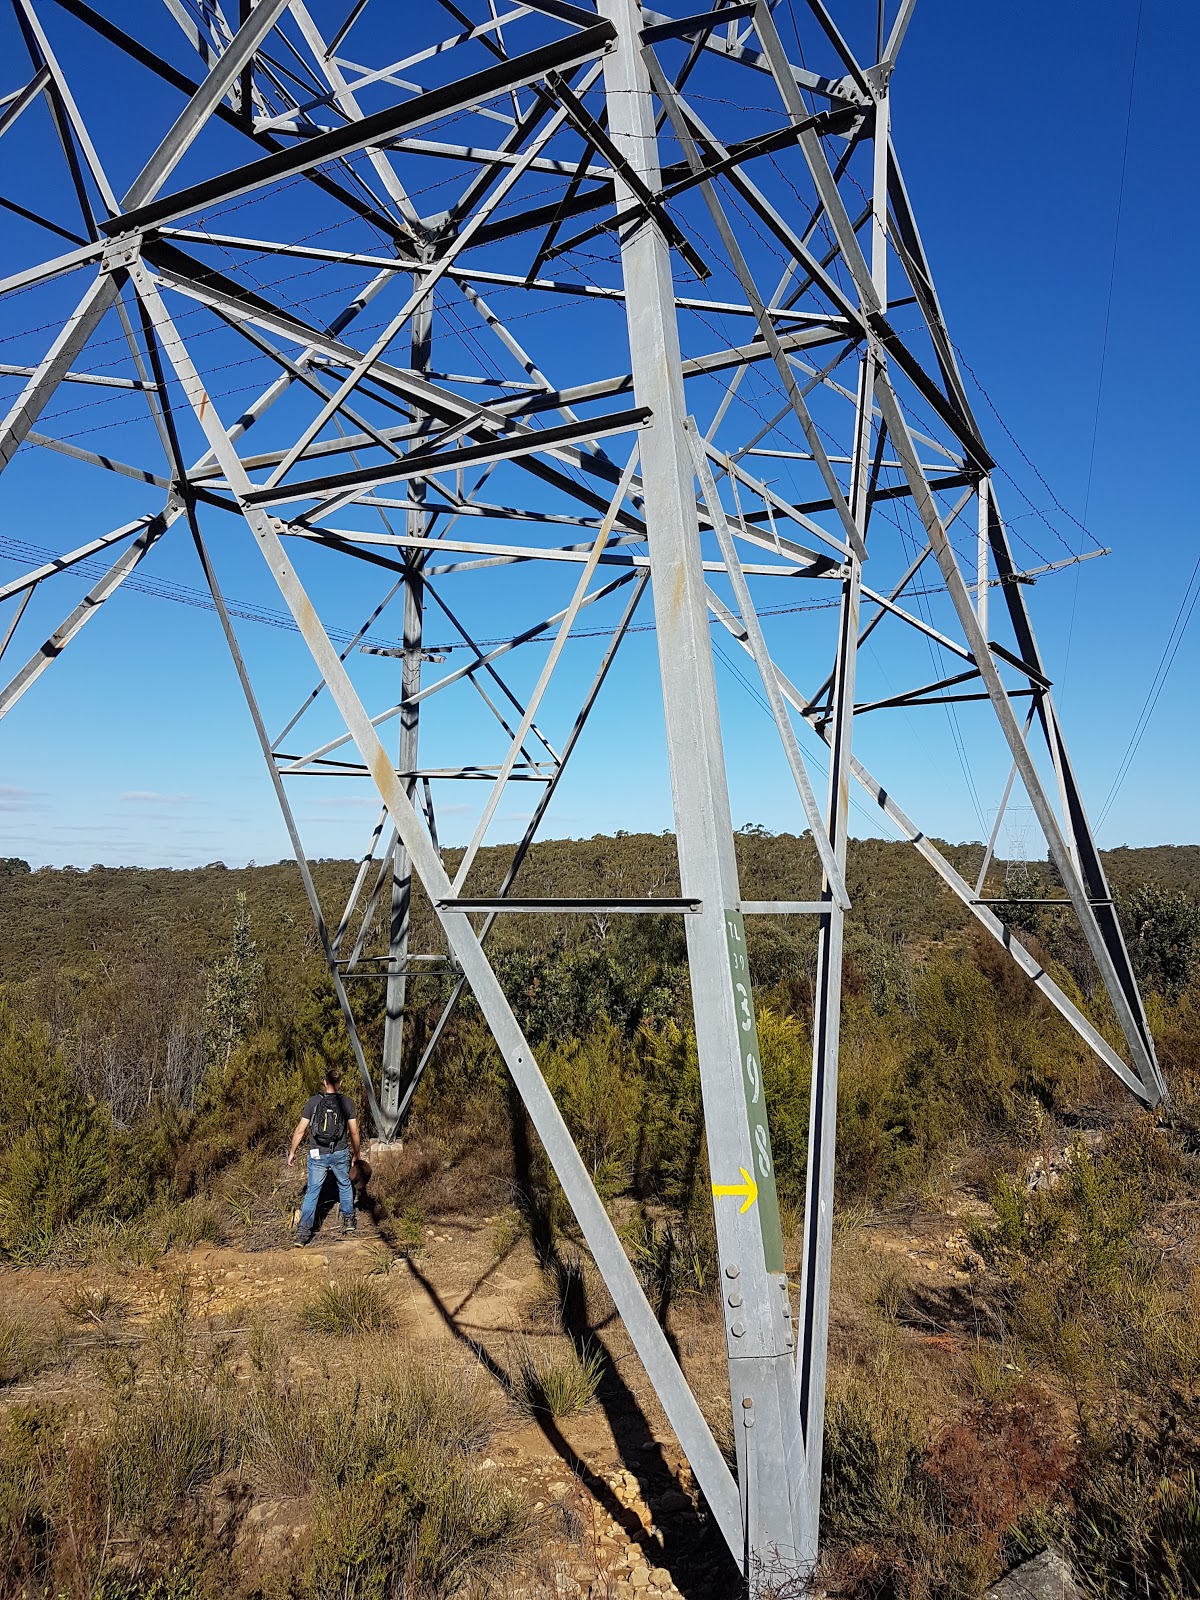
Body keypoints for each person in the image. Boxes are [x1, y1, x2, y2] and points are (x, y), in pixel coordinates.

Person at [287, 1066, 360, 1245]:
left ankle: (303, 1234)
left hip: (317, 1153)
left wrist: (292, 1152)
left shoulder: (314, 1102)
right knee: (344, 1184)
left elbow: (300, 1130)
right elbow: (354, 1132)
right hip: (340, 1152)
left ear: (324, 1082)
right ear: (340, 1083)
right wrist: (356, 1154)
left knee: (312, 1191)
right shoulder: (347, 1103)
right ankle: (349, 1222)